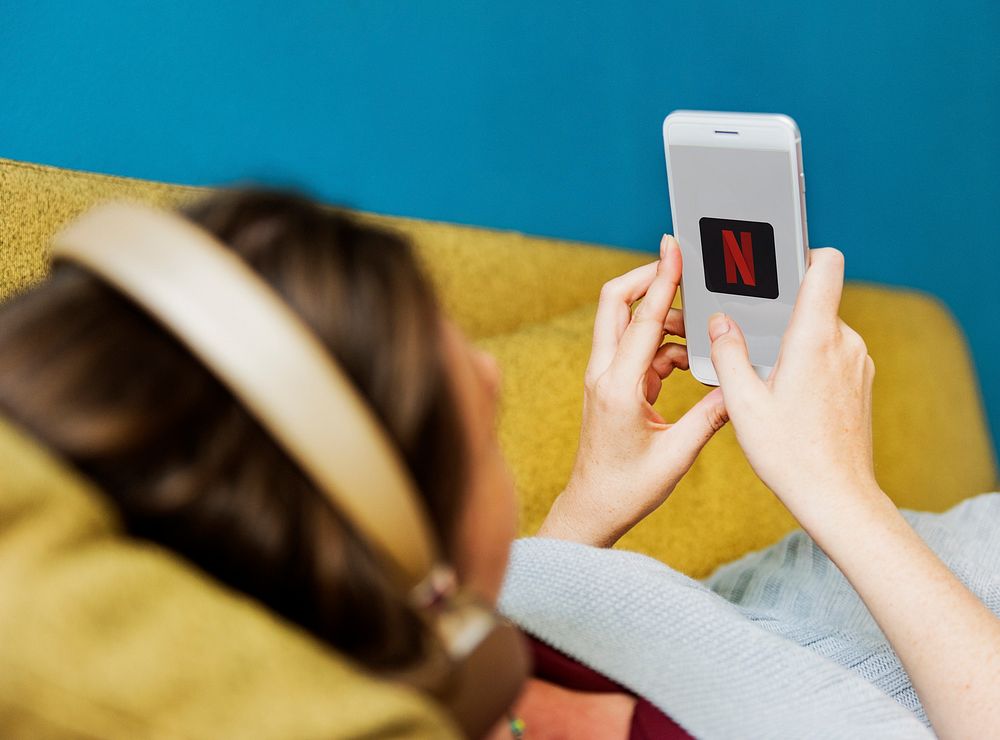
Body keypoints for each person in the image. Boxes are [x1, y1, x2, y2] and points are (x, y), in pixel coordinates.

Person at [0, 189, 997, 738]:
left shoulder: (452, 627)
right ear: (378, 531)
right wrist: (845, 499)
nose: (489, 368)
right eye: (467, 415)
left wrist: (582, 512)